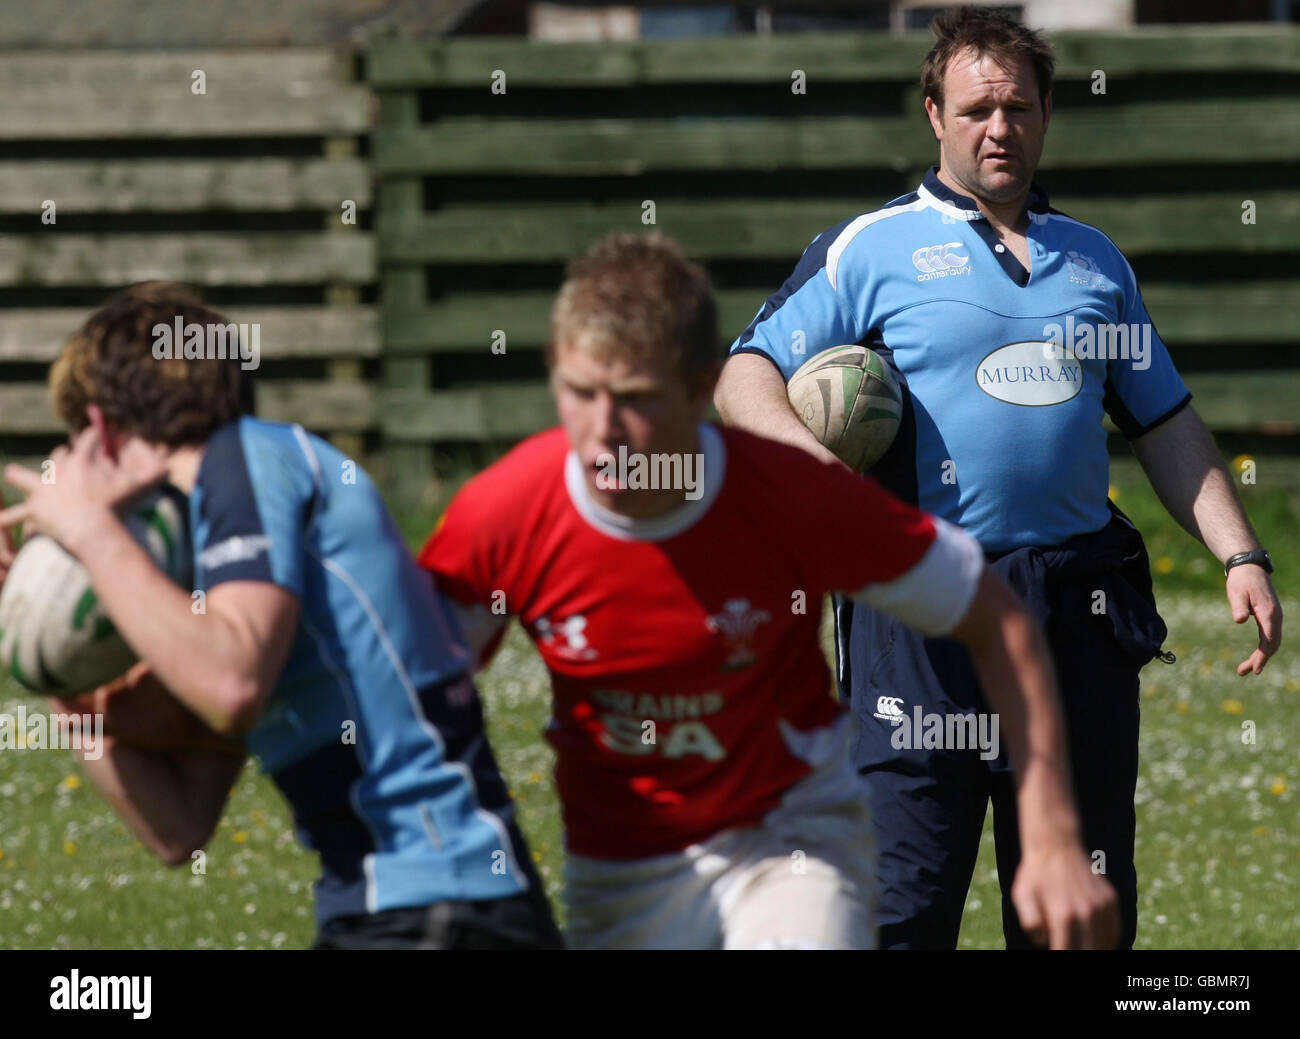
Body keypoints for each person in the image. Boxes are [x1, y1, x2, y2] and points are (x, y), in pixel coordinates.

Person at [713, 6, 1282, 950]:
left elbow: (1165, 421)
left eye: (1018, 106)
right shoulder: (871, 247)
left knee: (1079, 917)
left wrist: (1240, 550)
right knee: (899, 910)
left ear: (1048, 113)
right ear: (934, 115)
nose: (999, 127)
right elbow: (744, 373)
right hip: (919, 604)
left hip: (1075, 611)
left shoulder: (1095, 262)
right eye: (976, 107)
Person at [418, 231, 1118, 950]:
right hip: (621, 868)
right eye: (579, 392)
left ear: (701, 389)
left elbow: (998, 620)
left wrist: (1053, 833)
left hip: (789, 843)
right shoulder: (502, 514)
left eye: (635, 399)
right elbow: (408, 692)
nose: (603, 432)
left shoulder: (791, 497)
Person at [0, 283, 562, 950]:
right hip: (395, 906)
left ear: (101, 430)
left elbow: (230, 685)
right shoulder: (225, 562)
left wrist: (91, 531)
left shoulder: (247, 459)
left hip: (445, 902)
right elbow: (177, 824)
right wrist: (41, 648)